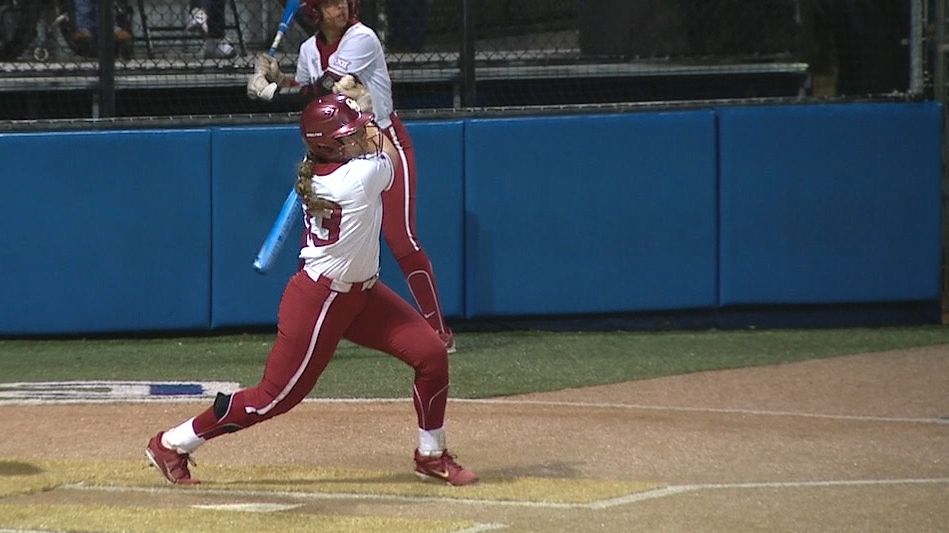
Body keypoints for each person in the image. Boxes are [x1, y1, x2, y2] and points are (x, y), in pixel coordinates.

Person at [144, 93, 478, 487]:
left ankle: (431, 454)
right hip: (322, 301)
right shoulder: (359, 177)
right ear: (326, 145)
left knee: (431, 354)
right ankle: (172, 443)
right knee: (273, 398)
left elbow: (369, 141)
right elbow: (393, 149)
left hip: (363, 295)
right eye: (348, 136)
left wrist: (357, 110)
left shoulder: (329, 171)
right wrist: (378, 106)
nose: (359, 139)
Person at [246, 0, 457, 353]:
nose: (340, 7)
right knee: (320, 239)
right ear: (315, 11)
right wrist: (275, 76)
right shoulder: (308, 49)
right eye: (330, 3)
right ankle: (312, 324)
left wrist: (272, 91)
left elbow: (329, 87)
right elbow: (311, 98)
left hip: (382, 142)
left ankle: (438, 331)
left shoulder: (363, 37)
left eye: (342, 0)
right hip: (339, 150)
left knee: (400, 238)